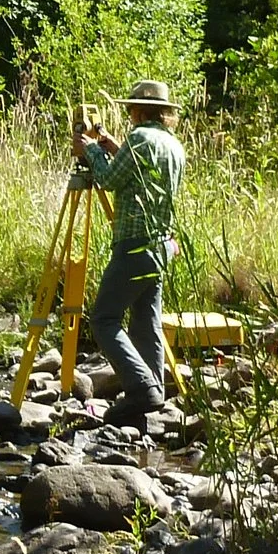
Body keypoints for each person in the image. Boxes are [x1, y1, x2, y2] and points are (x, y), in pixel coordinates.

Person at [77, 80, 187, 429]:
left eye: (130, 110)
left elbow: (109, 179)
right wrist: (111, 145)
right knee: (146, 319)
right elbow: (140, 174)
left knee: (105, 319)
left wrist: (90, 149)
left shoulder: (139, 140)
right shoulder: (173, 145)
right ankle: (153, 386)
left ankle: (141, 387)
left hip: (134, 243)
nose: (128, 115)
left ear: (139, 111)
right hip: (161, 244)